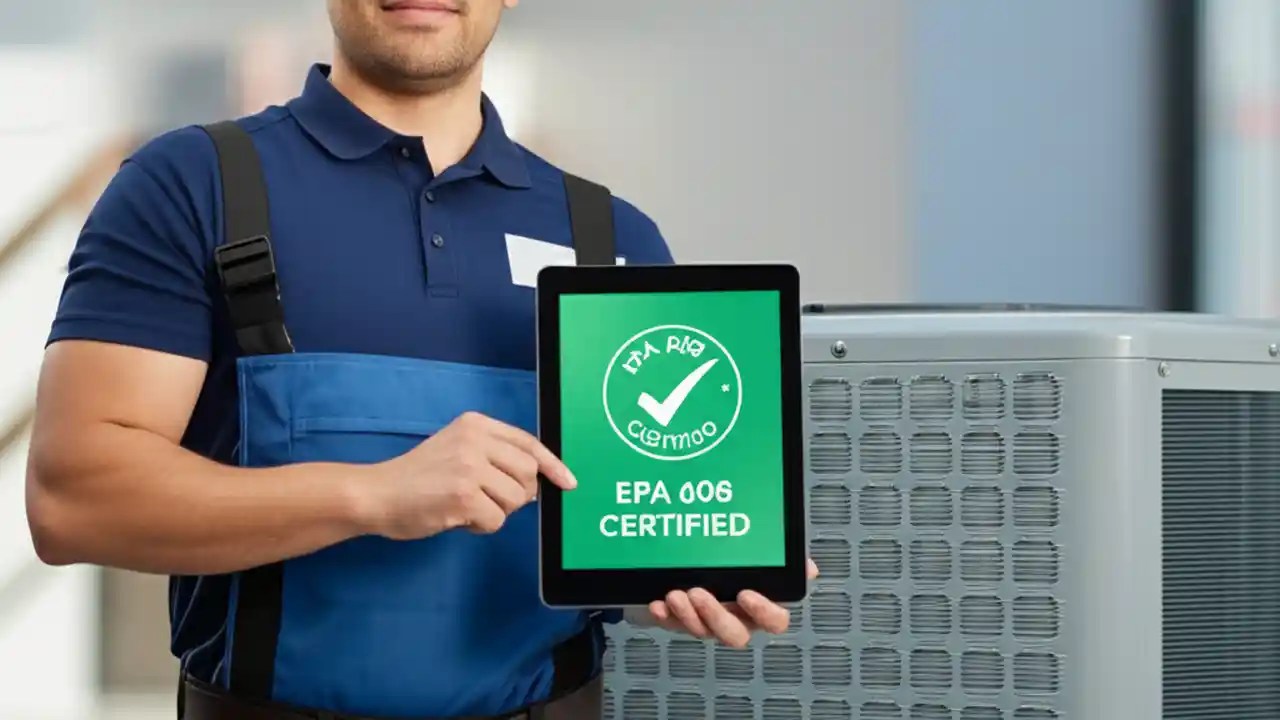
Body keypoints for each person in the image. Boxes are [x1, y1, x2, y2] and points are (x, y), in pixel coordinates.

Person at [25, 1, 816, 718]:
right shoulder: (192, 187)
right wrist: (374, 496)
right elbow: (72, 502)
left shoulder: (611, 238)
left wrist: (670, 577)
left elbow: (617, 521)